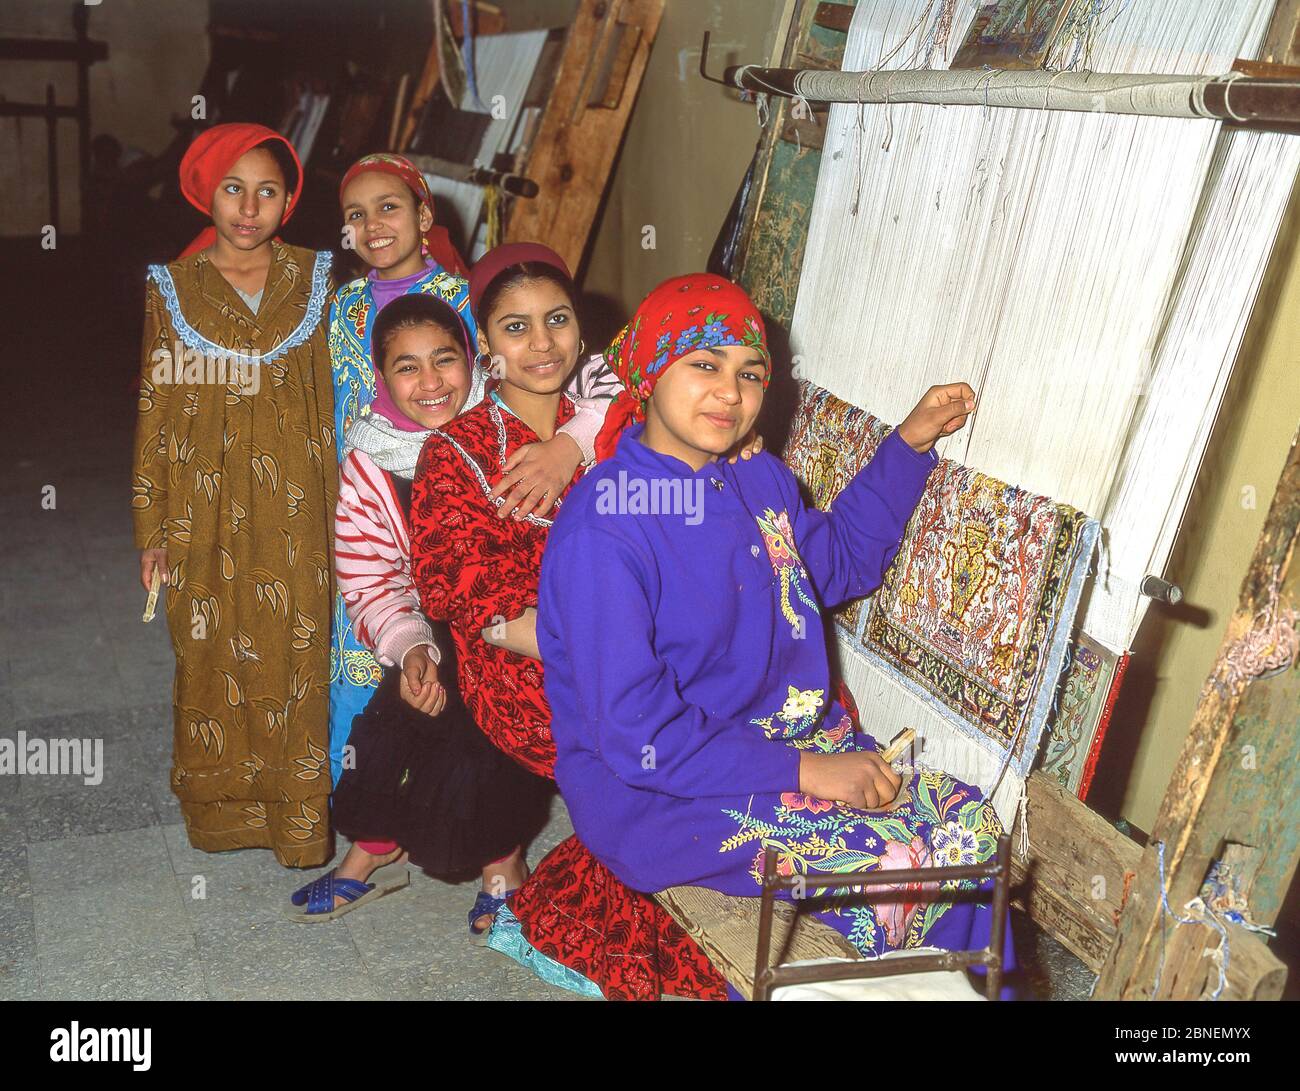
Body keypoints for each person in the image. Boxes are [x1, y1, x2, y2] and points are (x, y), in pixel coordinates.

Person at [536, 273, 1015, 976]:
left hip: (780, 741)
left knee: (969, 829)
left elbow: (843, 563)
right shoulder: (605, 529)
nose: (731, 392)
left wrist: (907, 446)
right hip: (657, 791)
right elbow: (636, 735)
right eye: (705, 364)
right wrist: (809, 771)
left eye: (750, 373)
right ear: (649, 371)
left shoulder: (756, 481)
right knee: (886, 867)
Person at [411, 247, 757, 998]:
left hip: (641, 638)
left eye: (557, 320)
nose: (541, 344)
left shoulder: (617, 420)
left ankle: (733, 904)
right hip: (527, 662)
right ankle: (645, 907)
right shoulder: (458, 451)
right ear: (485, 346)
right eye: (515, 327)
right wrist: (615, 650)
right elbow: (464, 594)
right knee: (665, 746)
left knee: (752, 717)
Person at [326, 156, 603, 783]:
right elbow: (402, 579)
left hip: (553, 624)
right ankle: (375, 835)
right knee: (384, 711)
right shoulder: (345, 319)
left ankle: (495, 847)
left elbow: (624, 382)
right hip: (468, 610)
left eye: (389, 206)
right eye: (355, 215)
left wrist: (570, 444)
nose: (538, 342)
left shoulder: (477, 307)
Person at [289, 294, 551, 924]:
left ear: (474, 359)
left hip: (518, 626)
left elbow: (600, 390)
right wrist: (411, 645)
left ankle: (503, 857)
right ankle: (376, 849)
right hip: (427, 623)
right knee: (388, 725)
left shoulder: (514, 433)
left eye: (444, 360)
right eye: (407, 368)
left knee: (487, 740)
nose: (431, 382)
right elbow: (370, 574)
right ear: (381, 379)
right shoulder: (370, 459)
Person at [133, 123, 335, 867]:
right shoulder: (172, 288)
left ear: (289, 199)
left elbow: (341, 393)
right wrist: (151, 525)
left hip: (300, 505)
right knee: (210, 646)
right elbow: (156, 407)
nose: (250, 208)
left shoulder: (317, 277)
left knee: (297, 650)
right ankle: (224, 810)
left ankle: (299, 821)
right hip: (202, 508)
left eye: (268, 191)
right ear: (206, 194)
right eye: (233, 189)